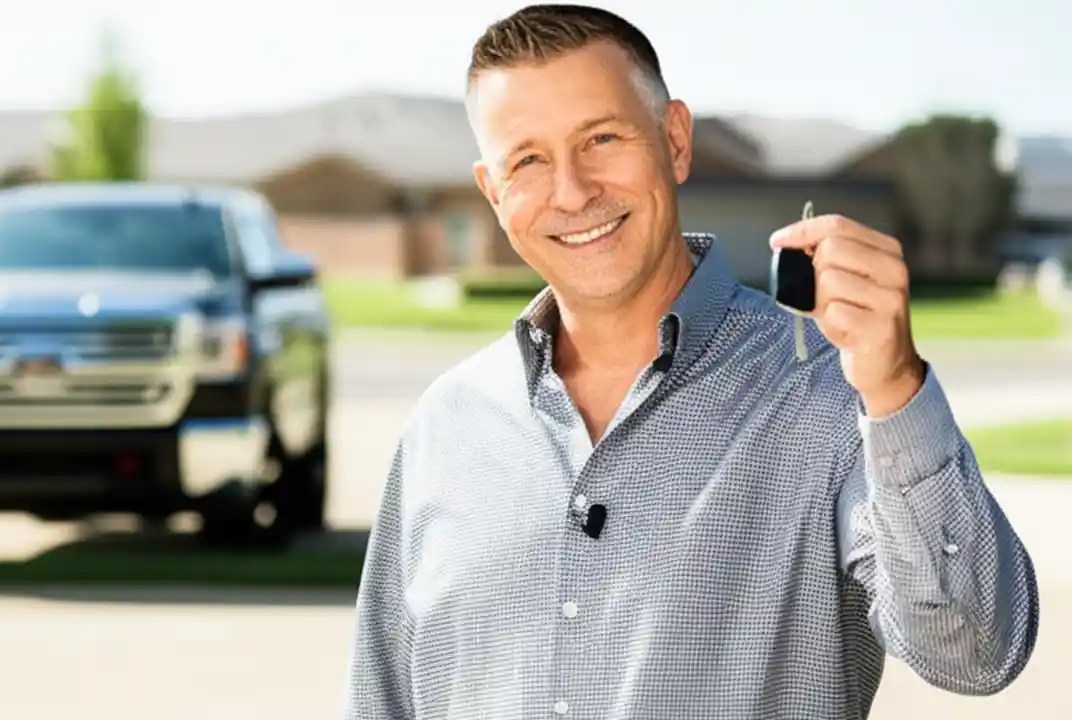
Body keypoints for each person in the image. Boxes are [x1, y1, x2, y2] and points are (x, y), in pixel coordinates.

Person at [341, 4, 1039, 719]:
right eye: (528, 160)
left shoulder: (831, 394)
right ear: (493, 192)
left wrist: (895, 390)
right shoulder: (446, 424)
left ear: (675, 140)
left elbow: (976, 652)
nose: (573, 191)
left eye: (602, 138)